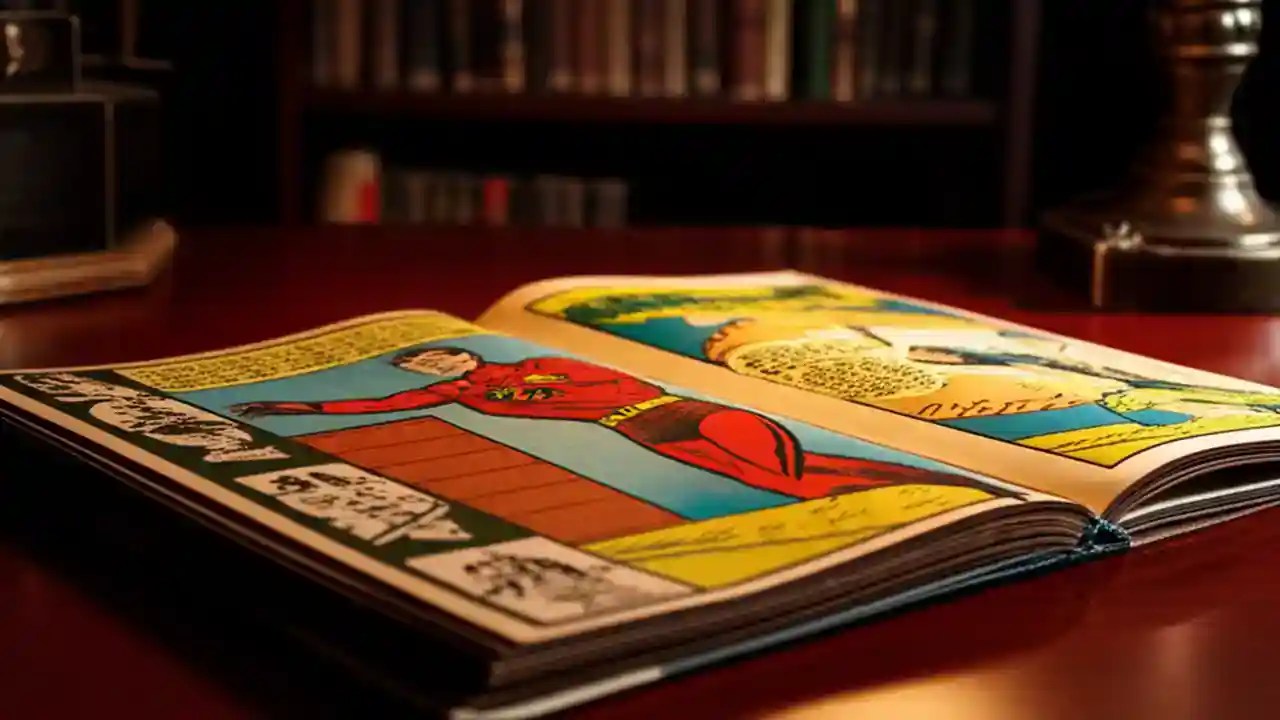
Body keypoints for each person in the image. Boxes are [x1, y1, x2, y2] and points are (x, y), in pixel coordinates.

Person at [231, 347, 1017, 501]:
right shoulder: (468, 396)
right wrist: (291, 407)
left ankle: (937, 480)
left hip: (679, 407)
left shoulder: (523, 370)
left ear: (456, 355)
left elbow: (604, 378)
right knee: (773, 484)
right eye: (422, 371)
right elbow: (369, 406)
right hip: (641, 434)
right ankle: (925, 493)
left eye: (436, 362)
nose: (431, 373)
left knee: (780, 471)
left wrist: (520, 381)